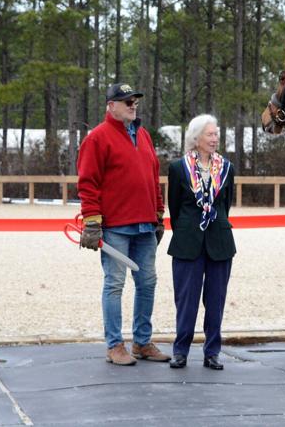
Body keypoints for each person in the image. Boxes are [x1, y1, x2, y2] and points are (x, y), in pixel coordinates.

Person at [77, 83, 171, 366]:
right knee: (114, 284)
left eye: (134, 101)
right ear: (111, 106)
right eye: (126, 101)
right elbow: (87, 183)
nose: (132, 105)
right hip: (115, 227)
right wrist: (92, 221)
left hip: (144, 226)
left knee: (147, 283)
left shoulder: (143, 135)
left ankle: (142, 343)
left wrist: (158, 213)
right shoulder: (97, 138)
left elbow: (153, 177)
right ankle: (115, 345)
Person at [166, 114, 236, 370]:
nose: (215, 139)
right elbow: (174, 207)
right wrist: (186, 230)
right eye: (210, 134)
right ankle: (180, 351)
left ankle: (212, 352)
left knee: (216, 300)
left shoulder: (227, 168)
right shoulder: (178, 168)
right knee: (186, 300)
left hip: (220, 241)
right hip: (187, 241)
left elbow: (225, 205)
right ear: (196, 138)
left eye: (216, 134)